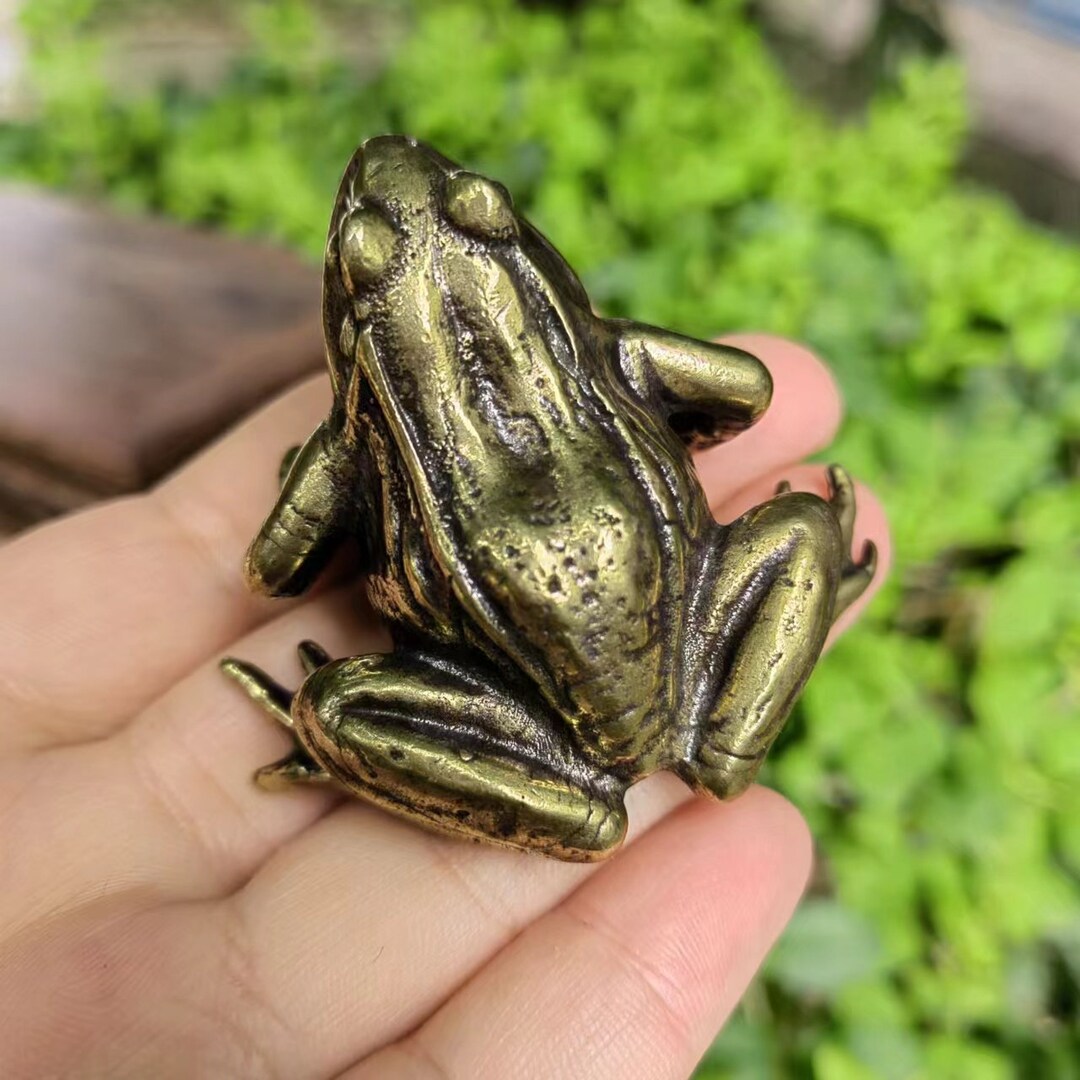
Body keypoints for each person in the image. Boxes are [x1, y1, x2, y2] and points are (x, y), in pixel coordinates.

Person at [0, 334, 889, 1079]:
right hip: (677, 662)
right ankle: (726, 748)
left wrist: (336, 467)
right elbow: (743, 394)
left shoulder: (373, 431)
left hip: (549, 708)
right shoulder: (602, 361)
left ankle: (479, 775)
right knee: (803, 528)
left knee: (336, 707)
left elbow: (277, 570)